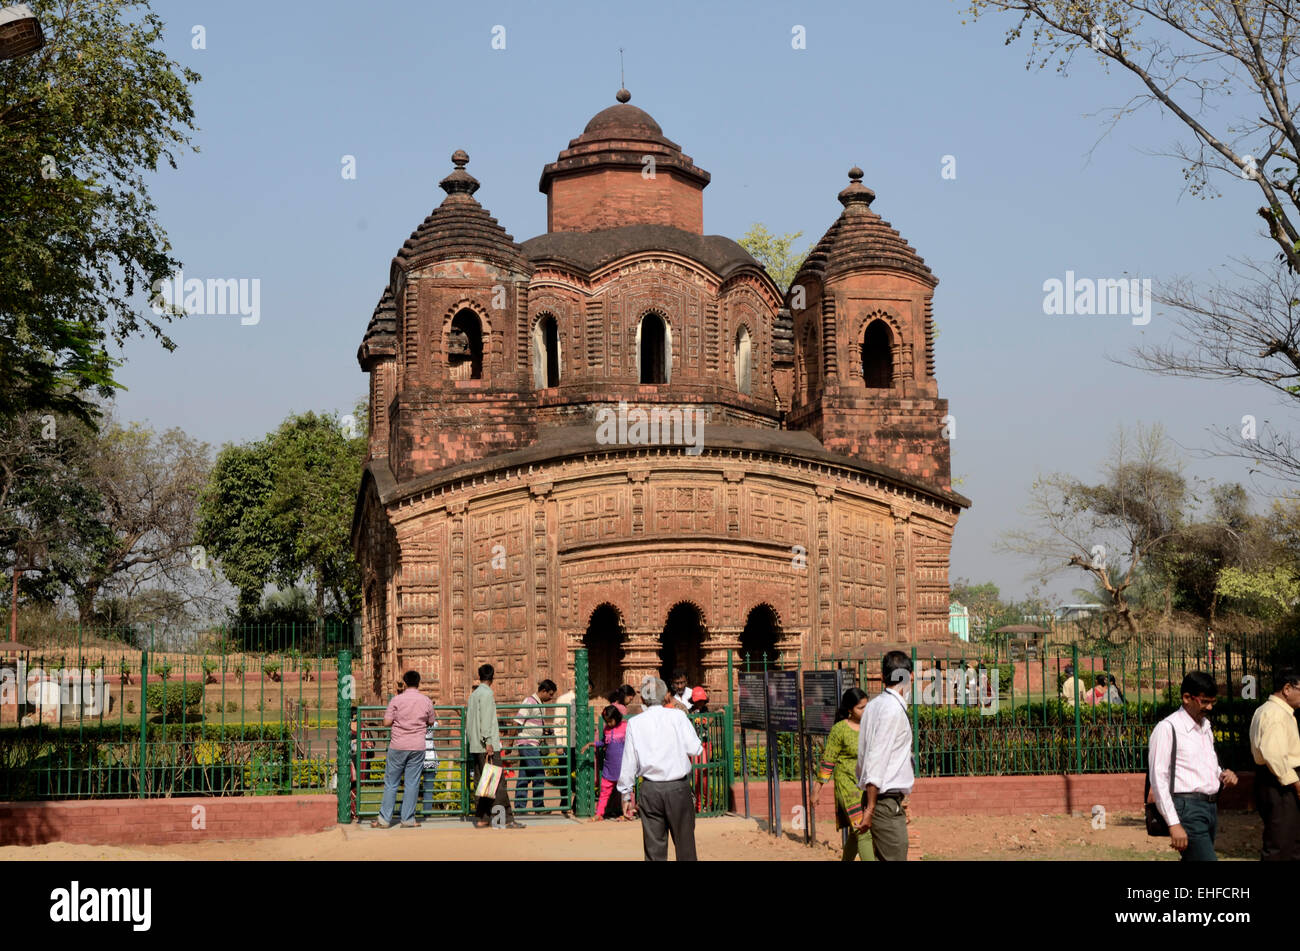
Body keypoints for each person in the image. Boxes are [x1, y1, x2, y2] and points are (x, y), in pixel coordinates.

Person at [1148, 671, 1238, 861]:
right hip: (1186, 808)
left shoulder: (1205, 727)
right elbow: (1159, 780)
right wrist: (1173, 824)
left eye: (1213, 701)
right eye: (1204, 701)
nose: (1210, 707)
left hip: (1210, 807)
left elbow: (1207, 765)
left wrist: (1223, 775)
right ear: (1187, 698)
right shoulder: (1167, 728)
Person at [618, 676, 703, 861]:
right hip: (678, 789)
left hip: (651, 790)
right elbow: (695, 748)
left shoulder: (635, 722)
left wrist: (626, 794)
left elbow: (629, 762)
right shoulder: (678, 716)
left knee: (654, 849)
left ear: (642, 699)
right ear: (666, 696)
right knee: (685, 846)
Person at [857, 651, 914, 861]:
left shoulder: (873, 706)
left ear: (882, 677)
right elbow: (876, 762)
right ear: (910, 677)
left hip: (883, 801)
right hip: (883, 802)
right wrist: (871, 809)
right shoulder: (892, 710)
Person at [372, 670, 436, 829]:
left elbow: (386, 722)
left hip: (398, 745)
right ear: (419, 682)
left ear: (405, 683)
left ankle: (384, 819)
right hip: (417, 746)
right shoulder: (426, 701)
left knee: (391, 783)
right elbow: (431, 721)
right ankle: (407, 819)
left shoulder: (396, 700)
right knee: (412, 783)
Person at [1249, 667, 1300, 860]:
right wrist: (1296, 784)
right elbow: (1274, 755)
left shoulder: (1270, 711)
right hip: (1281, 783)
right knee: (1281, 844)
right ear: (1287, 689)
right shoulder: (1276, 714)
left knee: (1291, 839)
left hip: (1277, 780)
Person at [465, 663, 525, 829]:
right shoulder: (487, 694)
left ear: (479, 676)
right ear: (492, 677)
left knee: (482, 781)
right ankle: (504, 818)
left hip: (476, 745)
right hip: (487, 745)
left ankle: (483, 817)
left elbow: (470, 723)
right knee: (497, 782)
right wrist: (489, 743)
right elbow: (486, 720)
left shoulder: (474, 695)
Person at [816, 687, 871, 861]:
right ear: (849, 709)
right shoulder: (840, 729)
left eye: (866, 706)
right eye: (860, 708)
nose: (865, 711)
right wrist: (816, 790)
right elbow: (828, 761)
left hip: (867, 785)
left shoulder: (871, 726)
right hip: (847, 786)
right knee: (863, 831)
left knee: (856, 833)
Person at [514, 679, 557, 812]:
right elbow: (517, 721)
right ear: (543, 691)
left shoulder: (539, 704)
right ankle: (538, 806)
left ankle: (520, 807)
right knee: (539, 774)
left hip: (531, 743)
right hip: (528, 743)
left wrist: (545, 730)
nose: (551, 698)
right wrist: (510, 741)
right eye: (550, 694)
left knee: (524, 776)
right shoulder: (530, 701)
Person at [581, 704, 627, 820]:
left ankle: (627, 813)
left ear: (617, 717)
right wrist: (592, 744)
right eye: (607, 721)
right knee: (604, 791)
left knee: (626, 791)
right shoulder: (607, 729)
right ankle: (599, 813)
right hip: (609, 766)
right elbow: (603, 742)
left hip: (624, 766)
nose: (609, 724)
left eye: (610, 721)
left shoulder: (625, 727)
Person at [419, 717, 440, 817]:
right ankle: (427, 813)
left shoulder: (416, 725)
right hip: (430, 758)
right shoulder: (433, 725)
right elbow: (439, 721)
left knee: (411, 787)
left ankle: (406, 812)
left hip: (417, 758)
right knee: (428, 789)